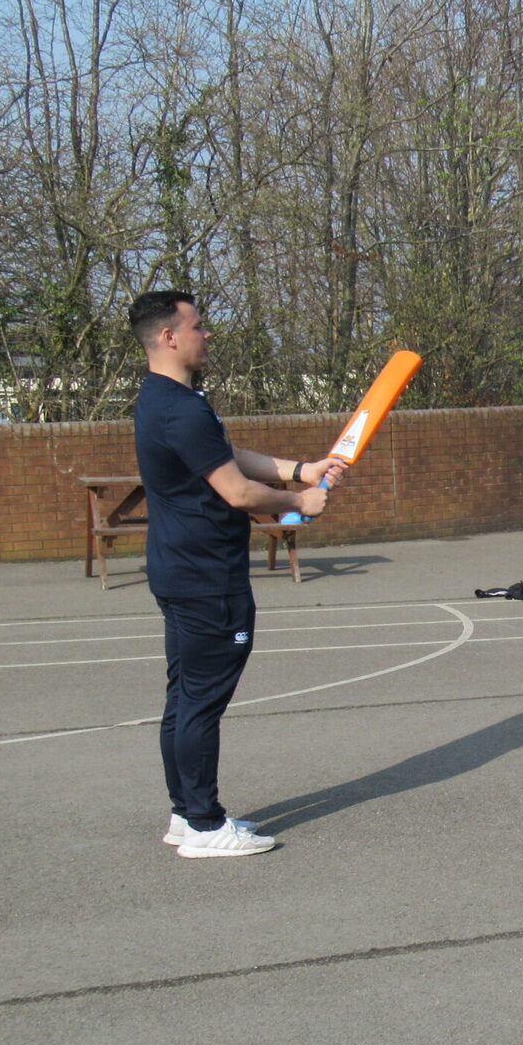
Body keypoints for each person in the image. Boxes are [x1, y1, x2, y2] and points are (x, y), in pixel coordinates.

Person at [128, 290, 336, 859]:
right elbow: (239, 491)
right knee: (200, 703)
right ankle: (203, 825)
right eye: (198, 326)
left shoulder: (164, 400)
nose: (207, 334)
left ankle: (185, 813)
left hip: (180, 570)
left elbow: (226, 454)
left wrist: (301, 469)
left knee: (185, 697)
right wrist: (299, 503)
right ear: (169, 336)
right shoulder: (181, 407)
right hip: (206, 578)